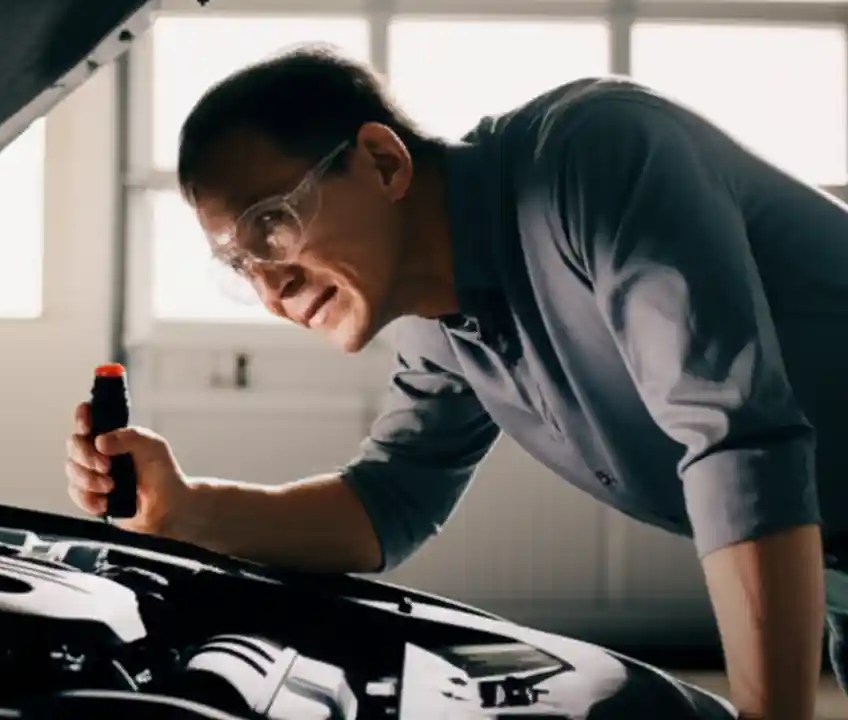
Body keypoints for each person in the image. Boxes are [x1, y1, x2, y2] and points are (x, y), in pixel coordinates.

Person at [64, 46, 848, 719]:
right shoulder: (438, 328)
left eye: (271, 225)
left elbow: (738, 439)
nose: (270, 289)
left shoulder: (594, 160)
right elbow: (386, 507)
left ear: (382, 161)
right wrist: (188, 510)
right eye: (240, 264)